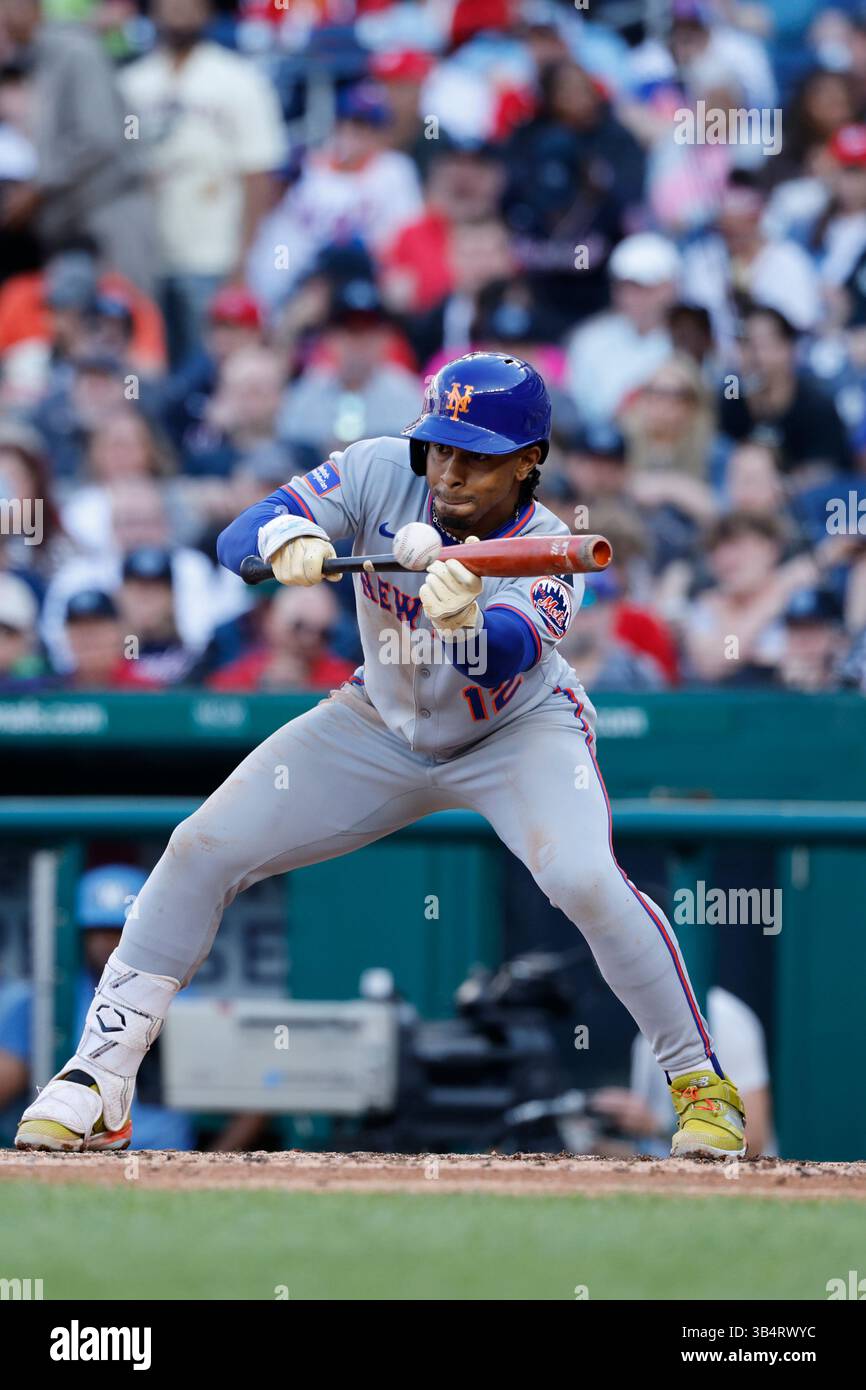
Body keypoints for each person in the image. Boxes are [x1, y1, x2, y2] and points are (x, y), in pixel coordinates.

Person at [15, 353, 747, 1160]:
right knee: (201, 845)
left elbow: (499, 657)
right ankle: (99, 1077)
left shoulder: (546, 547)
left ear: (531, 460)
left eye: (478, 455)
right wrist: (285, 535)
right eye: (441, 446)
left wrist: (464, 620)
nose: (450, 471)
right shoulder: (375, 468)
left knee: (581, 877)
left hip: (517, 731)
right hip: (380, 720)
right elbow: (236, 536)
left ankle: (700, 1084)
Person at [120, 0, 287, 366]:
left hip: (215, 254)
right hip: (148, 255)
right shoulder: (132, 82)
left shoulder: (239, 78)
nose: (179, 10)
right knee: (150, 366)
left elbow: (259, 174)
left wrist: (242, 262)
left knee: (208, 366)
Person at [0, 866, 195, 1150]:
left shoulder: (181, 997)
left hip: (169, 1154)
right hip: (67, 1151)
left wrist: (224, 1153)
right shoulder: (41, 997)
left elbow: (250, 1082)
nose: (110, 941)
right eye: (99, 931)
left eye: (122, 930)